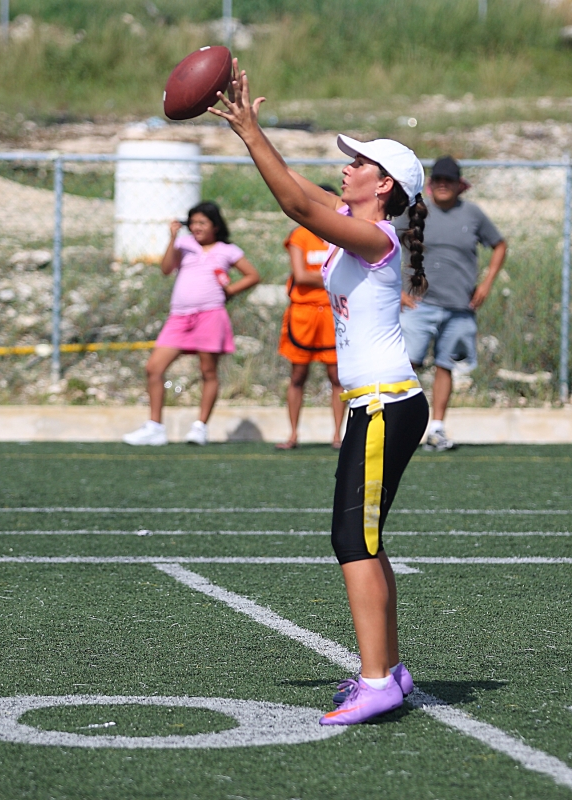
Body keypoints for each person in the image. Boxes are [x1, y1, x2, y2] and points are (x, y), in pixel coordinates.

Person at [209, 60, 429, 725]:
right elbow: (309, 198)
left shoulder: (375, 238)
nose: (346, 167)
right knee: (363, 537)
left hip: (385, 404)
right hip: (377, 404)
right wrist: (256, 138)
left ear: (383, 183)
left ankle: (375, 680)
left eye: (358, 163)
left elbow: (295, 202)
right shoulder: (352, 224)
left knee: (352, 540)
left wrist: (250, 132)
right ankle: (386, 669)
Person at [122, 201, 260, 446]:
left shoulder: (227, 250)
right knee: (154, 367)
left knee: (207, 371)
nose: (196, 227)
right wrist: (172, 238)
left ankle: (200, 427)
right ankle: (154, 427)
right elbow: (166, 269)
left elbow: (252, 276)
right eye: (193, 222)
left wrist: (229, 292)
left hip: (210, 315)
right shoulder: (184, 245)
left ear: (215, 226)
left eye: (202, 223)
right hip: (179, 317)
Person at [399, 156, 507, 451]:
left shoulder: (472, 214)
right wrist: (398, 288)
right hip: (419, 304)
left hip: (459, 306)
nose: (443, 185)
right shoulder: (415, 212)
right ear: (430, 184)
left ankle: (437, 428)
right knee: (408, 365)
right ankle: (400, 424)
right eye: (438, 180)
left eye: (449, 180)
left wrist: (486, 283)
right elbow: (385, 243)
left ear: (460, 185)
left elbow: (499, 244)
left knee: (445, 365)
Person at [276, 185, 345, 450]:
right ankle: (293, 434)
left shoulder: (340, 235)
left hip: (332, 312)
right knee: (297, 375)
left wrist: (324, 278)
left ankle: (338, 435)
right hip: (303, 313)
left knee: (337, 377)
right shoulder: (300, 235)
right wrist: (331, 277)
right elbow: (301, 276)